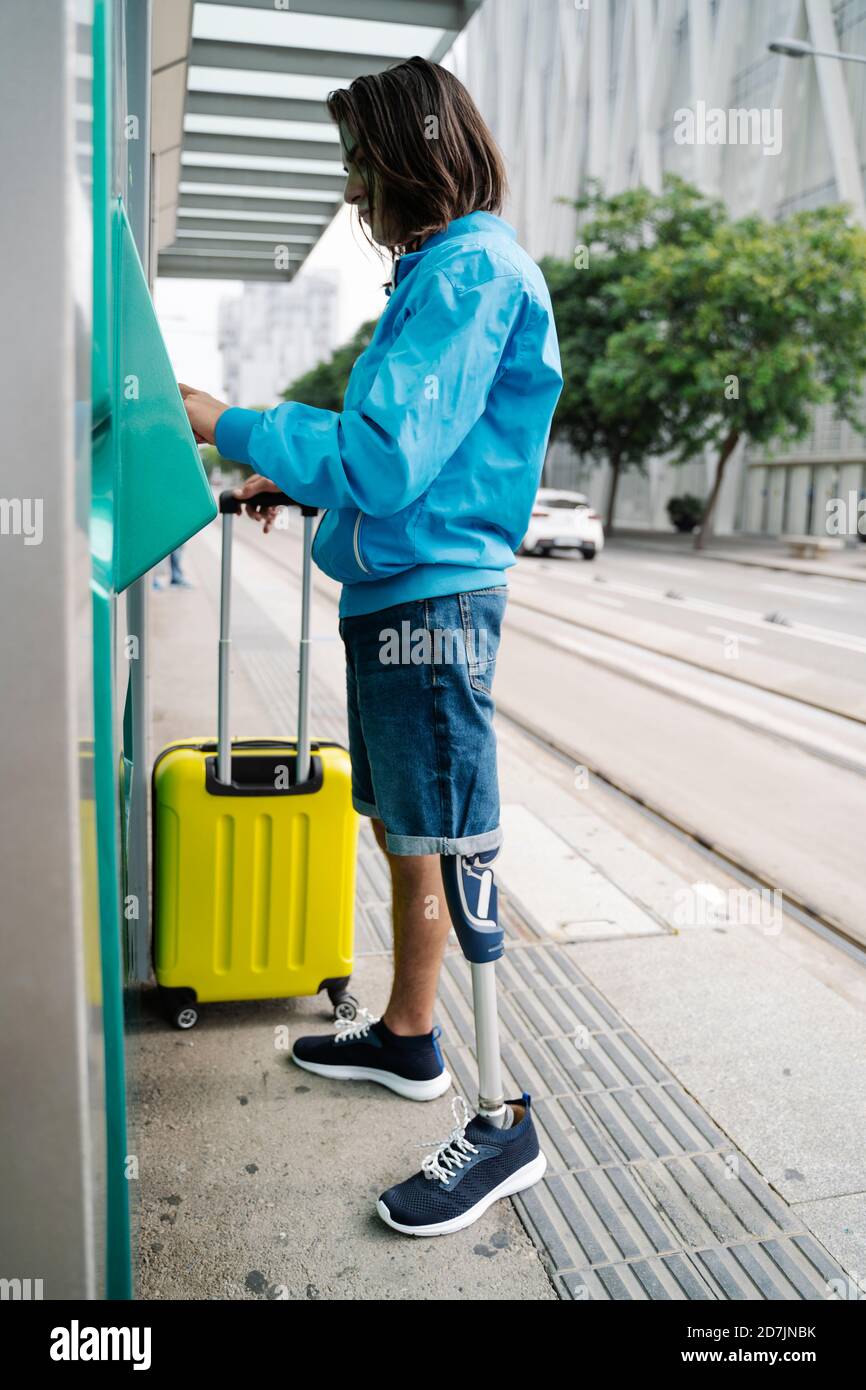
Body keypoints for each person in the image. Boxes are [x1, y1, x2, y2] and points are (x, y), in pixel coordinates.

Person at [180, 56, 563, 1236]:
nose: (351, 189)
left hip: (434, 608)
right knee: (409, 828)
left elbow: (386, 456)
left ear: (413, 154)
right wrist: (286, 486)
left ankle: (505, 1123)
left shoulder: (467, 269)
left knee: (451, 831)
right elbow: (397, 467)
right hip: (399, 595)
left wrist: (222, 416)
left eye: (358, 161)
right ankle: (408, 1036)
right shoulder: (440, 271)